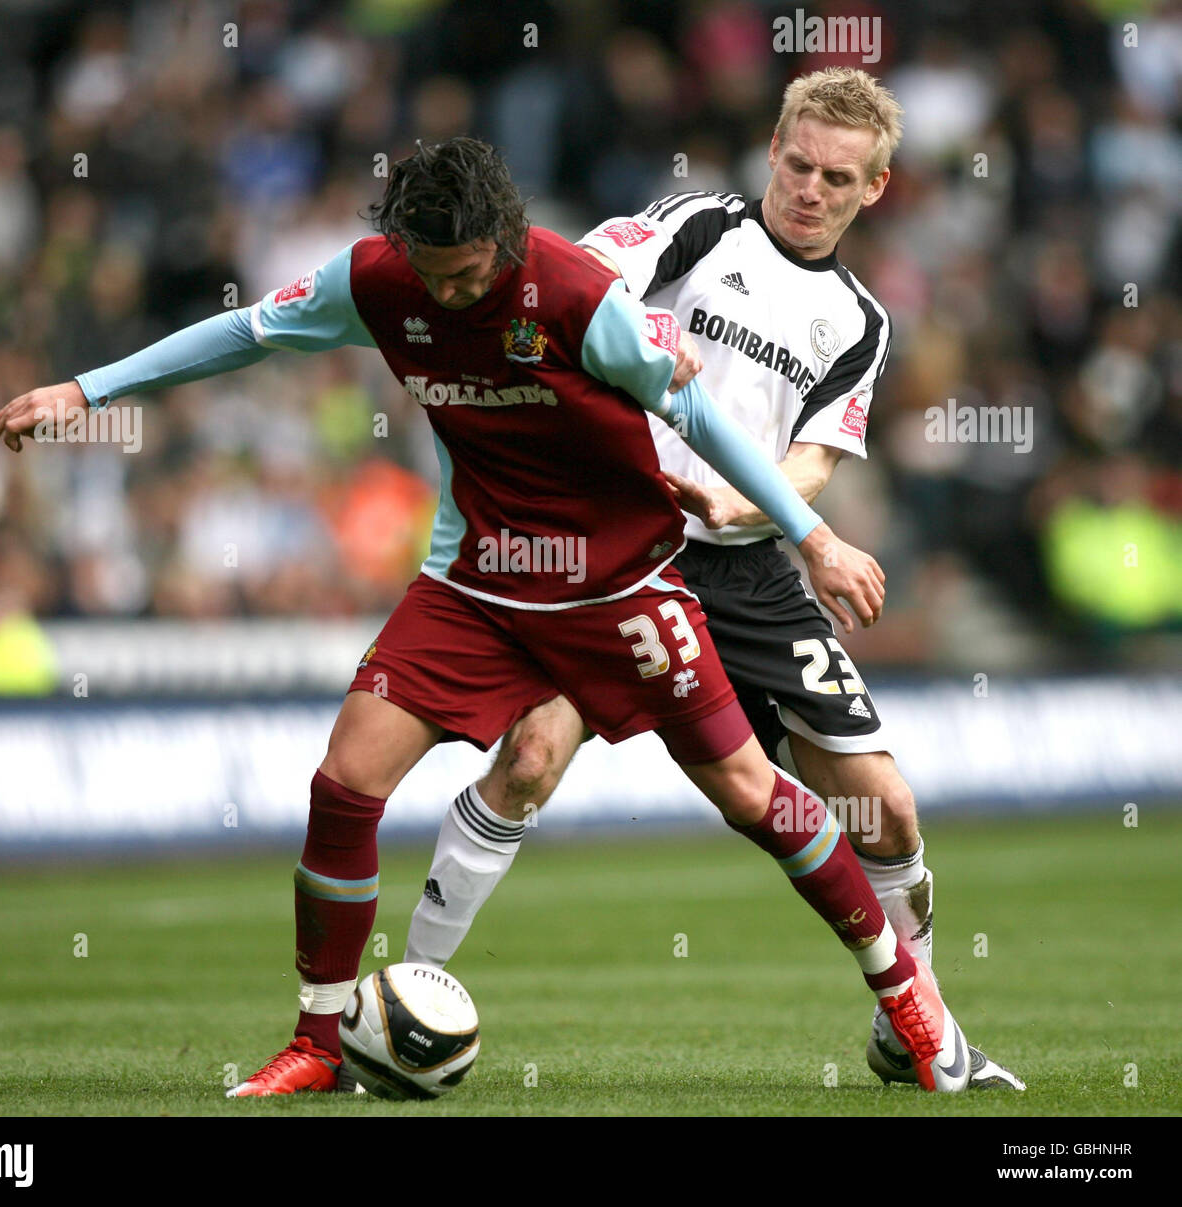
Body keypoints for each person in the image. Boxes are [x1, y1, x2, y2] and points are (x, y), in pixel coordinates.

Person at [0, 135, 969, 1096]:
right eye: (436, 275)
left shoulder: (577, 298)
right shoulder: (375, 281)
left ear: (503, 240)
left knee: (753, 793)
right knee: (344, 781)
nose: (452, 294)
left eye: (469, 276)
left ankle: (909, 1003)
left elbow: (700, 420)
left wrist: (813, 536)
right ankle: (319, 1042)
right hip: (475, 584)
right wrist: (86, 388)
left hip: (616, 586)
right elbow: (245, 333)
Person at [401, 71, 1023, 1091]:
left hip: (747, 570)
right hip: (616, 541)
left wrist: (761, 501)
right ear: (770, 148)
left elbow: (820, 457)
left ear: (873, 189)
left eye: (834, 177)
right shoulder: (699, 225)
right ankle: (408, 990)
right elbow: (589, 272)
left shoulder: (858, 322)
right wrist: (625, 335)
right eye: (795, 163)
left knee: (886, 812)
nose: (808, 188)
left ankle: (915, 1019)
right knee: (528, 757)